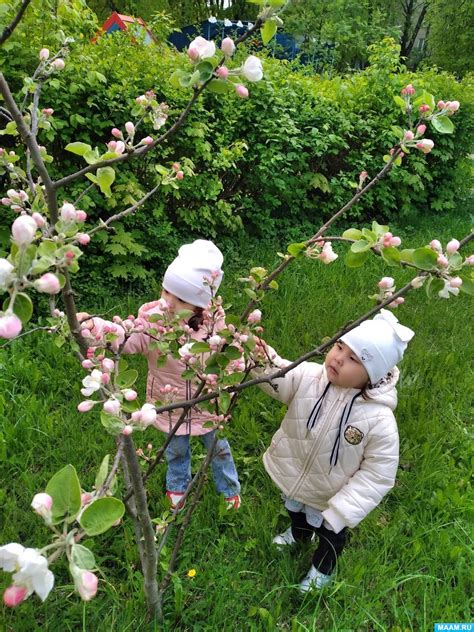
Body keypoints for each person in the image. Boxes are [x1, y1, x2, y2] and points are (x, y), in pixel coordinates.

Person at [254, 310, 414, 592]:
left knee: (330, 536)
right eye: (340, 346)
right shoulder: (309, 377)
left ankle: (321, 570)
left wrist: (343, 510)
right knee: (297, 511)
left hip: (334, 496)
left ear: (372, 375)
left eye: (354, 359)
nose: (338, 358)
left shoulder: (379, 421)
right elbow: (280, 377)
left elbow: (378, 474)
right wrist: (259, 360)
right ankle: (298, 534)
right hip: (298, 475)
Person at [79, 240, 241, 510]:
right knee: (176, 451)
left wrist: (232, 371)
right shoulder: (153, 321)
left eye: (179, 299)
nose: (167, 301)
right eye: (166, 291)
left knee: (219, 449)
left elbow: (228, 352)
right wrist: (98, 328)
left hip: (207, 404)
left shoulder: (214, 323)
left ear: (200, 304)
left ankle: (229, 488)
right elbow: (128, 339)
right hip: (170, 404)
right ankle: (178, 485)